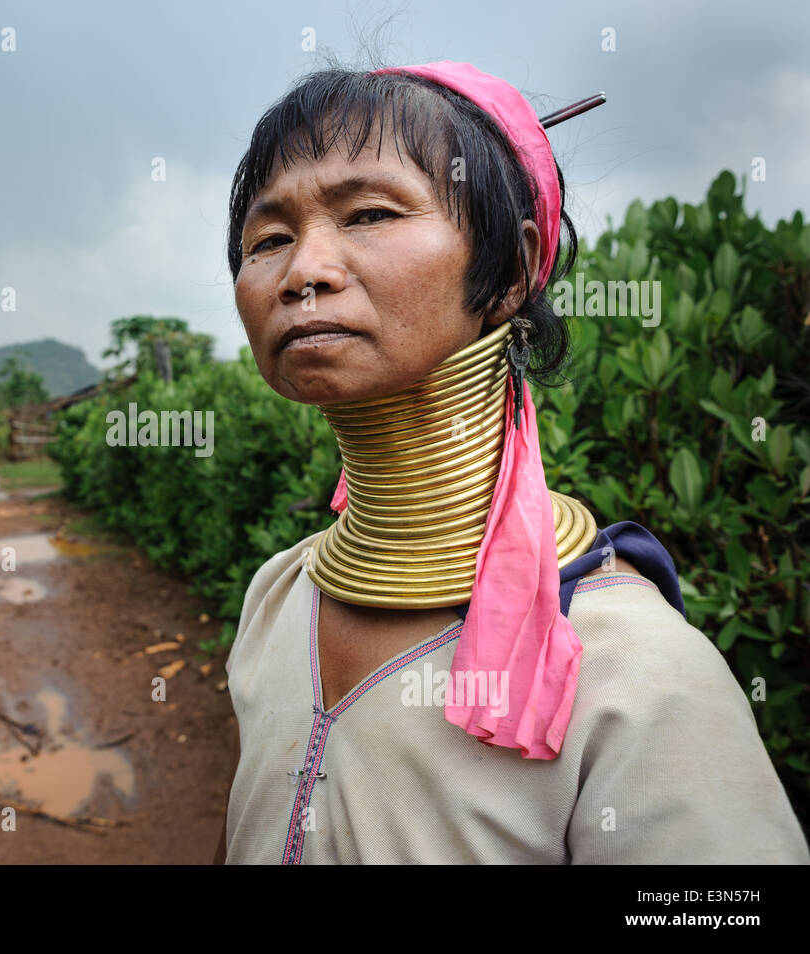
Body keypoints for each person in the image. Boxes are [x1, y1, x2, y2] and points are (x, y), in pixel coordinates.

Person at [216, 61, 809, 864]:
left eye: (370, 214)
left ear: (512, 272)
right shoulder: (279, 595)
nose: (303, 271)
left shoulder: (633, 669)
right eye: (270, 238)